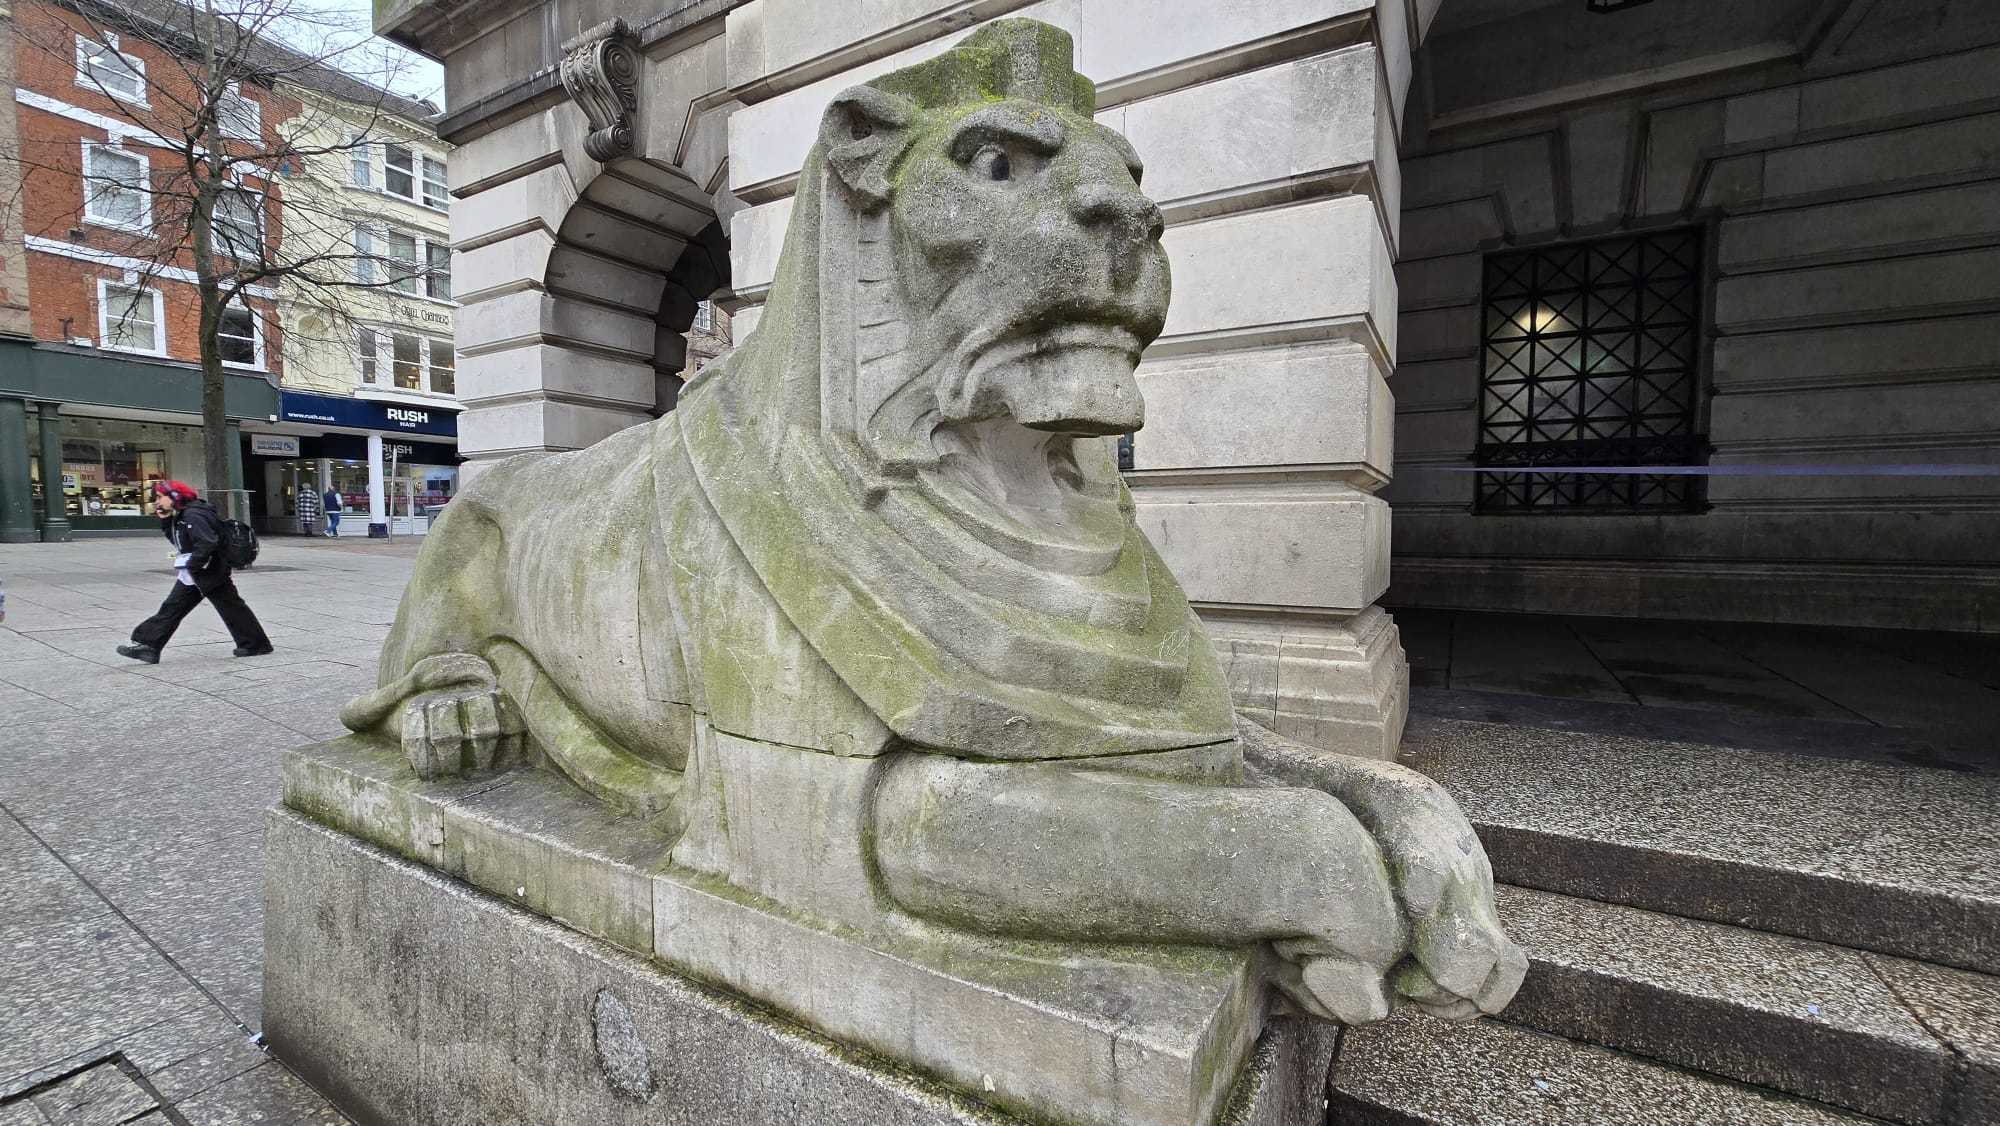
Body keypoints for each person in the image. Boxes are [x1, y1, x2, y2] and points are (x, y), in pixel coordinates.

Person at [116, 480, 273, 664]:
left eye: (160, 497)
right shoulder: (184, 514)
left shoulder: (193, 515)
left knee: (180, 607)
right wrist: (166, 520)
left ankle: (149, 646)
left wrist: (193, 564)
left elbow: (207, 542)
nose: (157, 501)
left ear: (174, 496)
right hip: (203, 570)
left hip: (206, 571)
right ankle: (256, 643)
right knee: (224, 606)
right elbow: (179, 542)